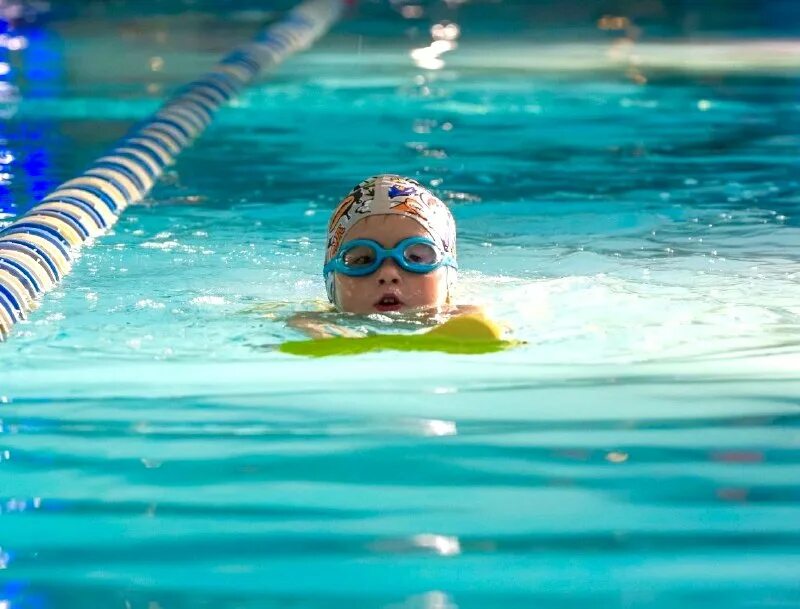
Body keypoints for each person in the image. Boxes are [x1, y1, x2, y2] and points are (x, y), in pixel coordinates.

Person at [288, 174, 481, 338]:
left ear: (449, 276)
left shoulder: (464, 318)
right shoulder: (317, 322)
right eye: (363, 260)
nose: (388, 274)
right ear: (331, 282)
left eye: (415, 258)